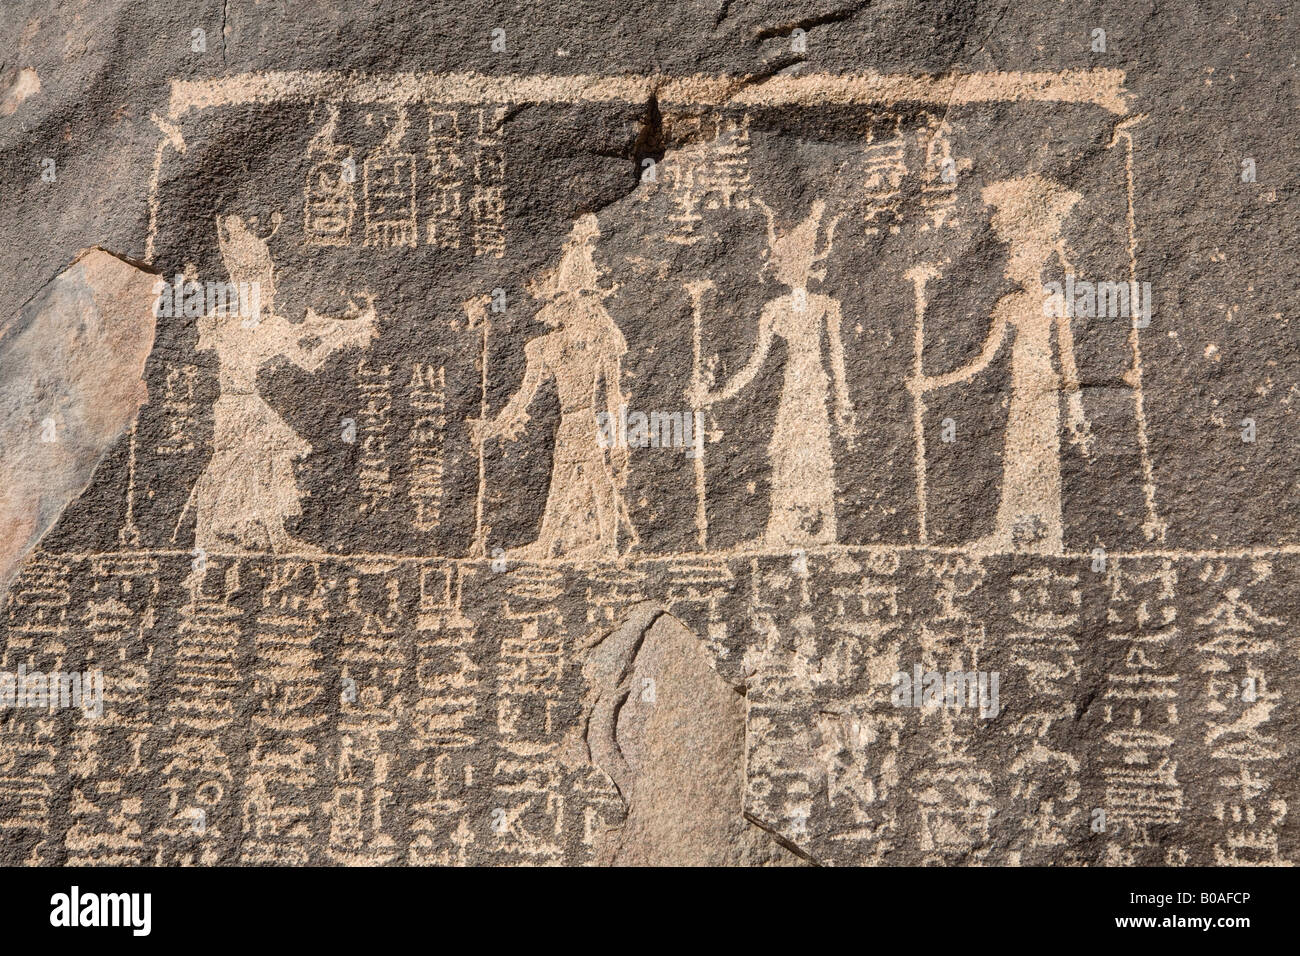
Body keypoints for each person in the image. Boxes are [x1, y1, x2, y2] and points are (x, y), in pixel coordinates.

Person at [469, 214, 637, 560]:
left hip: (585, 420)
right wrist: (494, 427)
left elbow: (613, 394)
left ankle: (602, 542)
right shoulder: (545, 347)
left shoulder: (601, 340)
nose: (572, 307)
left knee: (591, 476)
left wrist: (619, 440)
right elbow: (524, 397)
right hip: (572, 421)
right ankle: (574, 542)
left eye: (578, 300)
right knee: (576, 477)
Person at [689, 198, 854, 549]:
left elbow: (836, 356)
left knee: (811, 449)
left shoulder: (825, 306)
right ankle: (786, 528)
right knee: (788, 448)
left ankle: (820, 529)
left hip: (810, 385)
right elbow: (754, 365)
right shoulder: (775, 309)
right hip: (796, 386)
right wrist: (716, 394)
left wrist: (843, 401)